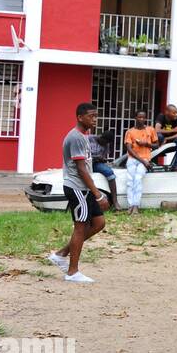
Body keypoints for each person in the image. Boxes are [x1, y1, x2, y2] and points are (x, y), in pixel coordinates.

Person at [47, 103, 108, 283]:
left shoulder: (84, 136)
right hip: (76, 187)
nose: (94, 119)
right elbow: (81, 169)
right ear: (80, 117)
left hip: (84, 188)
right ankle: (72, 272)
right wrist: (98, 194)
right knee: (80, 227)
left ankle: (61, 254)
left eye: (96, 116)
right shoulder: (75, 138)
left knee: (99, 222)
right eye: (91, 116)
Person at [122, 111, 159, 213]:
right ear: (135, 118)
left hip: (146, 158)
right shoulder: (130, 132)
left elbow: (156, 145)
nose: (141, 120)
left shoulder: (150, 130)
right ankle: (130, 205)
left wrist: (146, 144)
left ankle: (136, 206)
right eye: (139, 117)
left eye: (143, 118)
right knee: (130, 182)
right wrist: (142, 161)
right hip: (133, 159)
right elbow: (129, 149)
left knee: (138, 180)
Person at [88, 129, 119, 210]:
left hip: (96, 164)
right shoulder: (89, 138)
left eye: (107, 143)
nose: (105, 144)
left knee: (110, 172)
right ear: (101, 137)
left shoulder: (106, 145)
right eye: (104, 142)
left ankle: (115, 202)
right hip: (85, 163)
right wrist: (94, 157)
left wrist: (102, 159)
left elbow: (103, 156)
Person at [156, 104, 177, 171]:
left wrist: (167, 138)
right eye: (174, 113)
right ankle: (154, 158)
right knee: (159, 135)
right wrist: (174, 130)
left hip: (171, 140)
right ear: (167, 112)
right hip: (160, 141)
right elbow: (157, 130)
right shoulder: (161, 116)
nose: (176, 115)